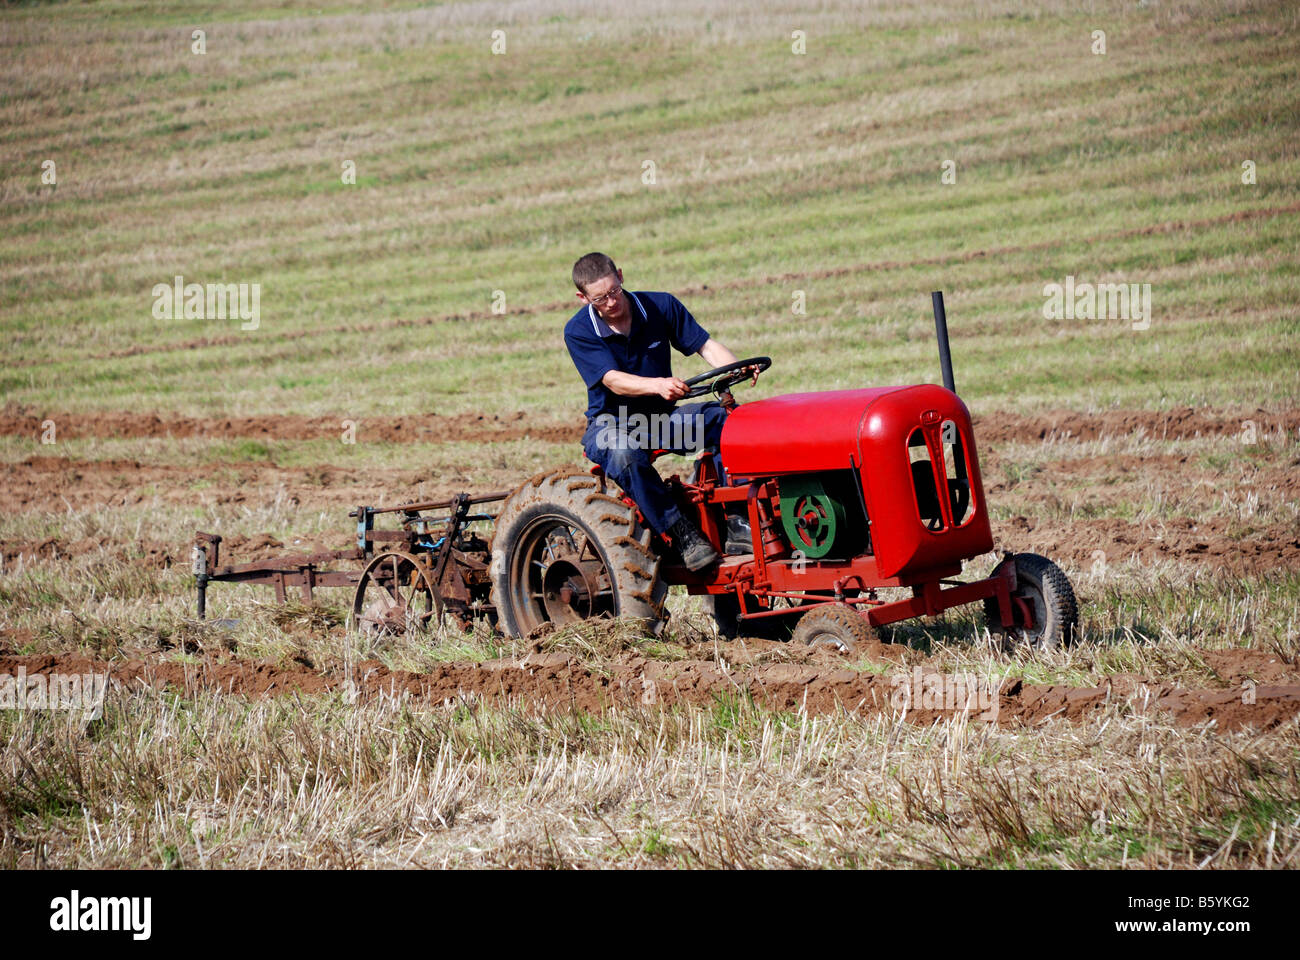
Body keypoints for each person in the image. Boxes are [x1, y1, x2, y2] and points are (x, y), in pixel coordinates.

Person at [563, 252, 757, 571]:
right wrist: (658, 385)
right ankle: (682, 535)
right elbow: (613, 380)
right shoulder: (579, 330)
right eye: (600, 298)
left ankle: (738, 520)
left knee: (728, 422)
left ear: (621, 276)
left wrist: (736, 366)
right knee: (624, 453)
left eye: (613, 291)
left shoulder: (660, 305)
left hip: (660, 420)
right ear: (582, 297)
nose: (611, 302)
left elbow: (705, 346)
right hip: (610, 424)